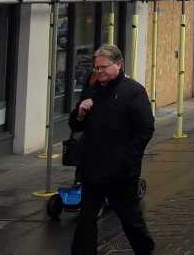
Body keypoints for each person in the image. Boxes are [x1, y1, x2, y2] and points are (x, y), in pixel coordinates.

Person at [70, 44, 155, 255]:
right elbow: (76, 125)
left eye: (103, 68)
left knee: (130, 219)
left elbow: (145, 129)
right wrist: (79, 113)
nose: (99, 72)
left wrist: (129, 160)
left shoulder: (133, 91)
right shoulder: (92, 87)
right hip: (92, 168)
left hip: (120, 171)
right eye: (96, 68)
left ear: (118, 64)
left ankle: (145, 251)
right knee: (86, 219)